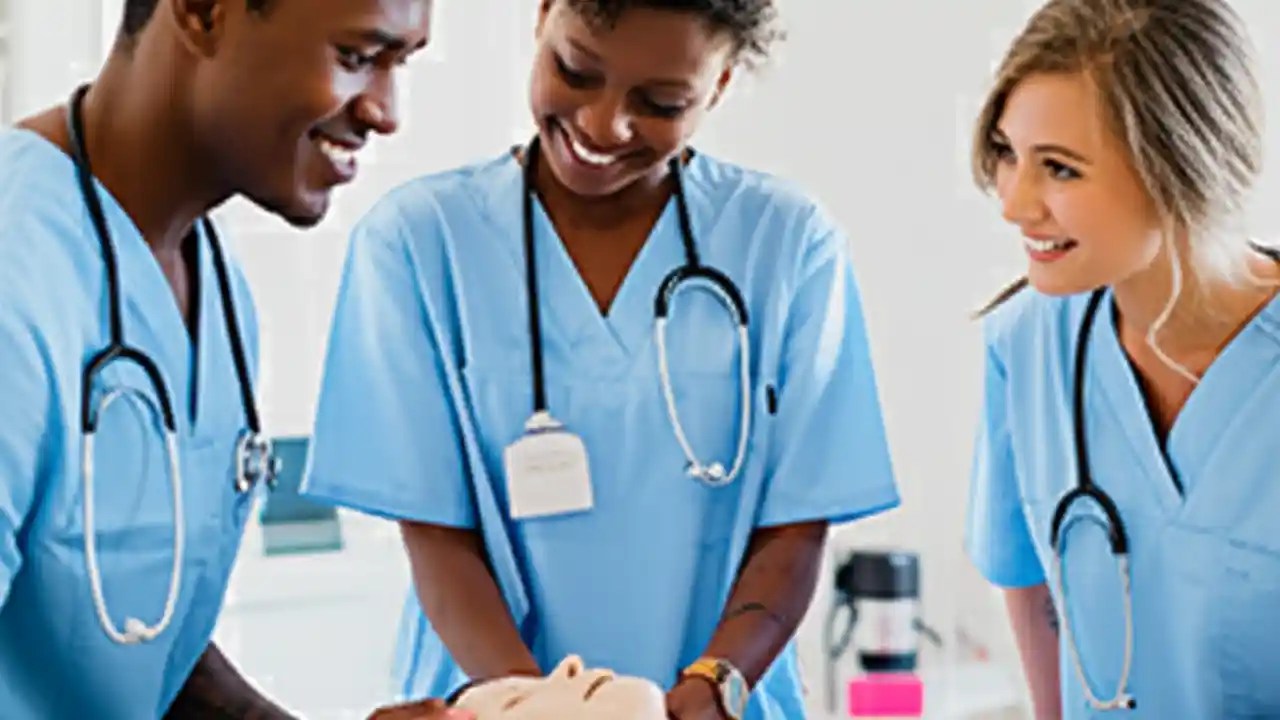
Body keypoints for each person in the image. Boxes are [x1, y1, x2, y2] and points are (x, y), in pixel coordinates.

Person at [301, 0, 901, 718]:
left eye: (661, 102)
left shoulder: (789, 244)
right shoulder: (418, 243)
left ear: (720, 86)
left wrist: (719, 681)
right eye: (576, 71)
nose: (601, 125)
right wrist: (536, 708)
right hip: (493, 698)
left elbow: (796, 524)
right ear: (543, 16)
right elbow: (437, 534)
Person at [0, 1, 469, 718]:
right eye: (355, 57)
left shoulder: (216, 290)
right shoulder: (17, 270)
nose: (385, 111)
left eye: (398, 63)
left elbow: (129, 633)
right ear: (202, 11)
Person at [963, 0, 1280, 717]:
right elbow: (1031, 585)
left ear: (1184, 166)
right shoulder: (1025, 344)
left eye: (1061, 170)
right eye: (1009, 154)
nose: (1014, 203)